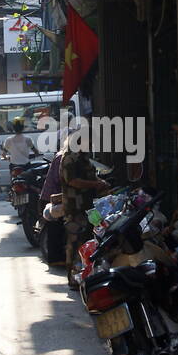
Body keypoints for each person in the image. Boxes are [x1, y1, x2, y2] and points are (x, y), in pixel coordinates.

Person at [59, 121, 108, 289]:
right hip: (75, 208)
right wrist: (95, 185)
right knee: (74, 242)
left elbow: (91, 177)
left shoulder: (84, 158)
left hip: (88, 206)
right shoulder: (70, 158)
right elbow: (73, 181)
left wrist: (99, 182)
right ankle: (73, 277)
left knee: (89, 240)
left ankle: (87, 275)